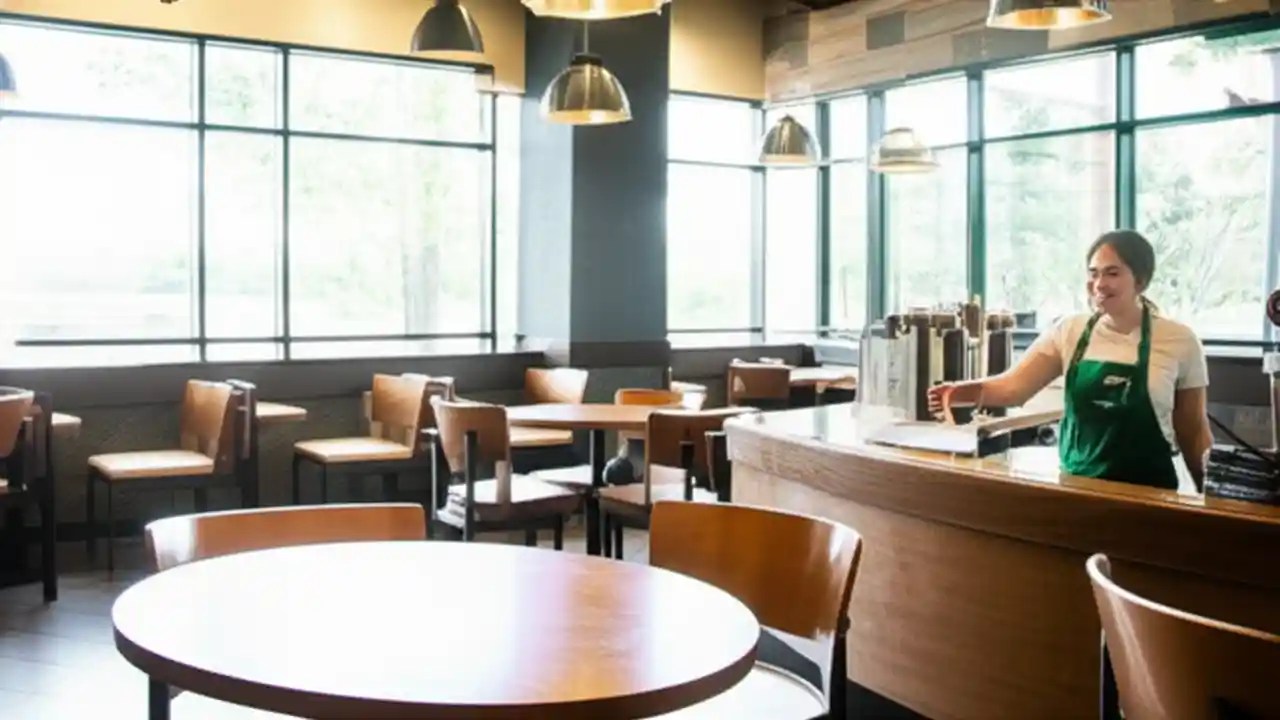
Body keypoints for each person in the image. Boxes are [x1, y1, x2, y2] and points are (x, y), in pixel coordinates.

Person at [928, 230, 1213, 491]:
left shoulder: (1179, 341)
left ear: (1141, 280)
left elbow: (1194, 431)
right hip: (1077, 491)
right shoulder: (1070, 331)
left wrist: (1209, 498)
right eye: (1093, 274)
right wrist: (957, 392)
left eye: (1112, 273)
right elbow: (1015, 388)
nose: (1099, 284)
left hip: (1149, 495)